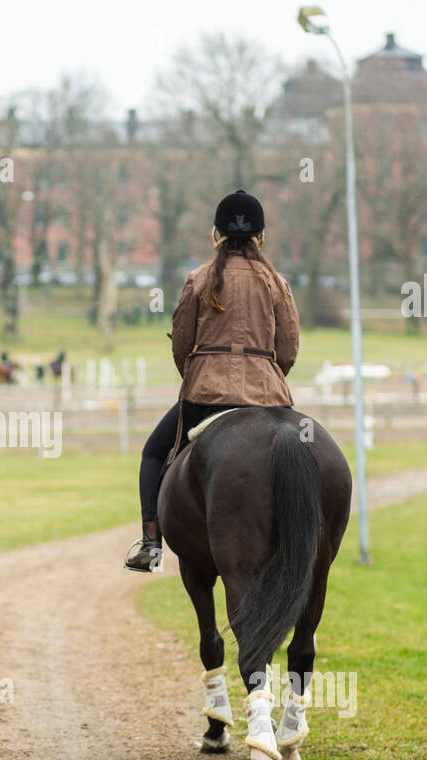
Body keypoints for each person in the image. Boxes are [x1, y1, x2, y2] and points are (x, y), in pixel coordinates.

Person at [124, 189, 299, 572]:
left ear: (216, 234)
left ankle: (151, 543)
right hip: (267, 396)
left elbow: (182, 344)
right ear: (260, 236)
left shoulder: (199, 279)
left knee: (153, 453)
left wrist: (200, 376)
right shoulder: (277, 283)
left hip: (205, 394)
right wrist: (265, 377)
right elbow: (287, 348)